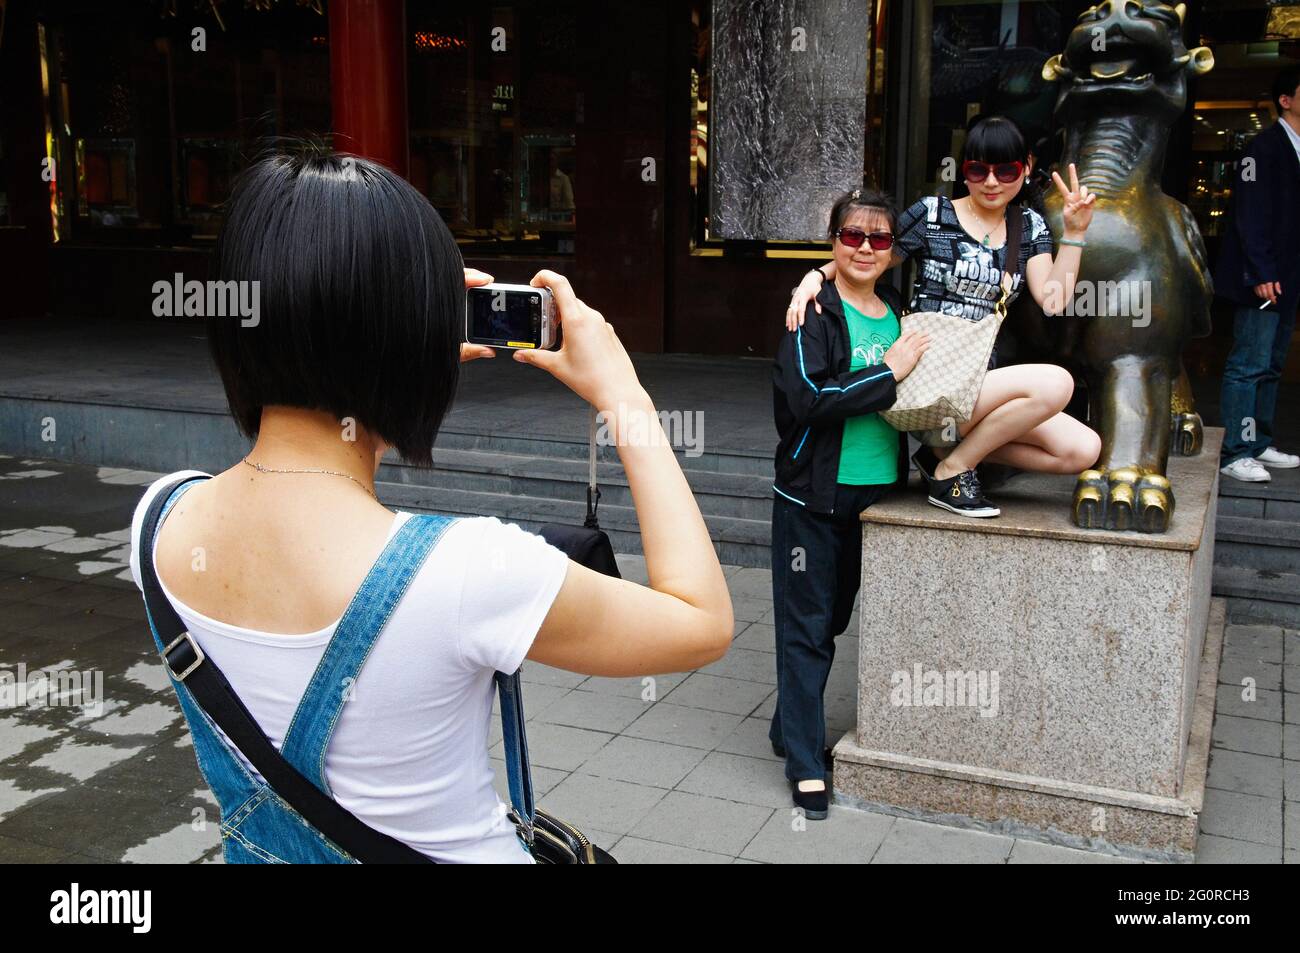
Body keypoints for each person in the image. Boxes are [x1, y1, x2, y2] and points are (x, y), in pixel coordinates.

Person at [128, 148, 733, 863]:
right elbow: (702, 621)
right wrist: (624, 397)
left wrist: (394, 354)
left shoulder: (160, 519)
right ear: (407, 345)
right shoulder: (470, 571)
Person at [786, 116, 1101, 517]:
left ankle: (945, 455)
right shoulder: (931, 214)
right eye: (977, 169)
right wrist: (817, 276)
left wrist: (1075, 232)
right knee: (1057, 383)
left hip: (977, 387)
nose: (991, 182)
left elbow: (1053, 300)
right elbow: (870, 254)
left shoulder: (1029, 226)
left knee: (1082, 450)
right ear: (963, 169)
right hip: (927, 379)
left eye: (1006, 170)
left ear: (1025, 168)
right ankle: (955, 468)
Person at [771, 188, 929, 818]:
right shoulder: (812, 311)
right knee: (807, 631)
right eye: (851, 236)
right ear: (832, 239)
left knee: (832, 621)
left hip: (877, 497)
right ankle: (806, 763)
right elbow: (808, 396)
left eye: (880, 238)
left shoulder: (897, 309)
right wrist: (888, 370)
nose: (864, 247)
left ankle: (790, 724)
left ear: (895, 250)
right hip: (812, 497)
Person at [1213, 66, 1300, 482]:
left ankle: (1260, 442)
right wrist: (1260, 271)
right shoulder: (1260, 149)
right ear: (1286, 100)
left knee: (1273, 363)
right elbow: (1250, 215)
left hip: (1289, 277)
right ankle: (1236, 451)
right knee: (1249, 363)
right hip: (1262, 278)